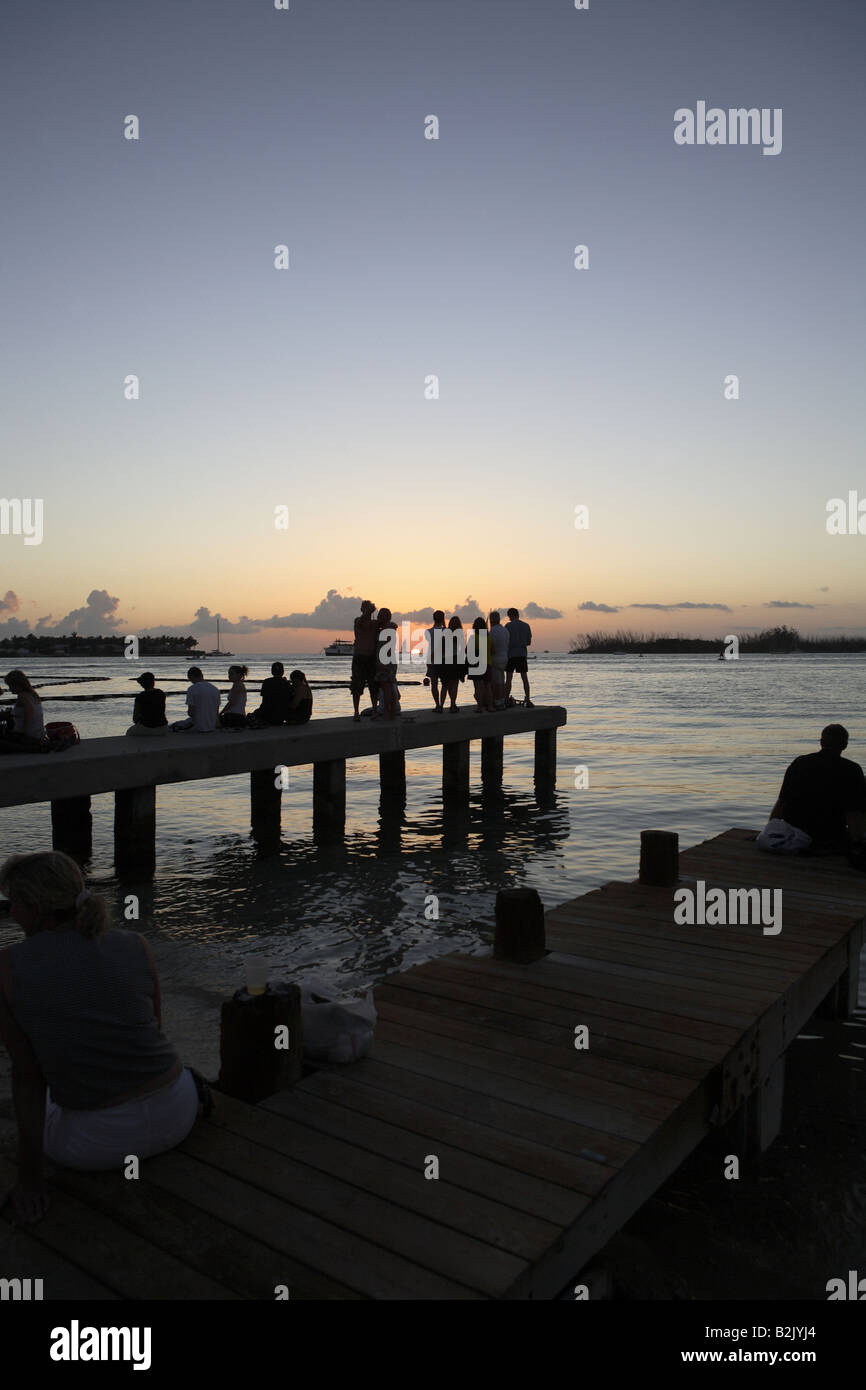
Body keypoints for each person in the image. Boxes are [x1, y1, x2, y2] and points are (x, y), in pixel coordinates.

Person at [0, 851, 202, 1224]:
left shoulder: (8, 967)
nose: (10, 912)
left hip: (98, 1144)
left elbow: (28, 1078)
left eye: (13, 903)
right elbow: (152, 1031)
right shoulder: (134, 943)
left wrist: (29, 1177)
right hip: (178, 1111)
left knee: (32, 1103)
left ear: (37, 908)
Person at [759, 724, 866, 855]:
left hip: (794, 834)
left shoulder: (799, 763)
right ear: (845, 745)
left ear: (821, 743)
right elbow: (853, 813)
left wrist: (770, 831)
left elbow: (782, 802)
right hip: (828, 836)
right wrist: (858, 843)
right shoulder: (852, 769)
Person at [0, 671, 48, 754]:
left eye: (10, 686)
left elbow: (30, 711)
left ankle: (32, 748)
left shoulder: (22, 696)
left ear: (17, 685)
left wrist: (25, 732)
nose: (9, 689)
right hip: (39, 733)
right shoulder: (33, 694)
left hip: (30, 735)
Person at [351, 600, 379, 722]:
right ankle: (356, 712)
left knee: (373, 686)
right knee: (357, 685)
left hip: (371, 658)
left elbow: (387, 623)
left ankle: (374, 710)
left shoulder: (375, 623)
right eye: (365, 608)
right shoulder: (358, 621)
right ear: (362, 610)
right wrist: (368, 611)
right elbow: (361, 622)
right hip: (359, 657)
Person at [171, 667, 220, 732]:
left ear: (191, 677)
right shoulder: (215, 689)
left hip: (198, 726)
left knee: (174, 725)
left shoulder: (192, 689)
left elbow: (191, 712)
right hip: (212, 725)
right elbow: (216, 711)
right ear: (202, 675)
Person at [505, 607, 533, 707]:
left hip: (511, 655)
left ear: (510, 616)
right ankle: (528, 698)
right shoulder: (526, 626)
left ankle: (505, 698)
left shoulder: (508, 626)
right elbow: (528, 642)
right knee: (524, 678)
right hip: (522, 654)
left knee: (508, 678)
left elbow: (505, 641)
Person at [125, 672, 168, 737]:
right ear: (153, 682)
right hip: (162, 727)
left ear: (142, 684)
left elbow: (135, 718)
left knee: (129, 732)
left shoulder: (140, 697)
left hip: (147, 728)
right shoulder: (161, 693)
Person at [375, 608, 399, 719]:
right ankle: (392, 710)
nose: (377, 617)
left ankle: (387, 711)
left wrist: (382, 662)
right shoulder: (390, 628)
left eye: (379, 615)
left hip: (385, 661)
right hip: (390, 661)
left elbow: (387, 648)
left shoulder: (387, 630)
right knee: (390, 685)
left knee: (386, 687)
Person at [439, 615, 467, 711]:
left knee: (445, 685)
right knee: (454, 685)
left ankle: (440, 706)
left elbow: (441, 648)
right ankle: (452, 705)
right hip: (457, 661)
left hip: (446, 660)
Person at [253, 661, 293, 726]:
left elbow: (264, 701)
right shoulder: (287, 684)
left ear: (272, 671)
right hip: (281, 716)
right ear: (283, 672)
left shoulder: (267, 682)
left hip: (268, 715)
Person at [467, 618, 493, 712]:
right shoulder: (489, 638)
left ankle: (479, 707)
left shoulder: (473, 638)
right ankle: (490, 706)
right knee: (488, 686)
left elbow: (467, 651)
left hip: (476, 664)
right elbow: (493, 651)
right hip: (487, 663)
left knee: (477, 687)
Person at [424, 611, 448, 712]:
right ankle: (441, 705)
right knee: (444, 684)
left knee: (434, 684)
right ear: (443, 618)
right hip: (444, 661)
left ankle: (437, 705)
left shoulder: (428, 631)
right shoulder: (447, 631)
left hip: (432, 660)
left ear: (433, 618)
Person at [488, 612, 510, 709]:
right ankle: (502, 700)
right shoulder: (505, 630)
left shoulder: (492, 631)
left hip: (495, 658)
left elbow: (492, 647)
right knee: (502, 680)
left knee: (495, 681)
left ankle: (497, 701)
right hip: (504, 657)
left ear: (491, 620)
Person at [219, 665, 248, 729]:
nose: (229, 676)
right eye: (229, 674)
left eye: (231, 674)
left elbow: (232, 702)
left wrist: (220, 713)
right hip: (237, 716)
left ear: (239, 675)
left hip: (235, 717)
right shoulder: (238, 684)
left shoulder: (237, 685)